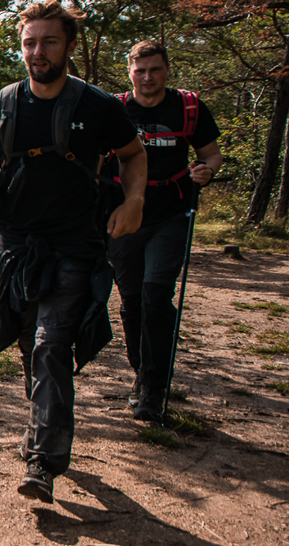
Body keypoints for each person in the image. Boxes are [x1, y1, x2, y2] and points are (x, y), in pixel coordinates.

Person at [0, 1, 147, 505]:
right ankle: (43, 422)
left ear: (69, 45)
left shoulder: (98, 106)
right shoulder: (0, 106)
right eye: (29, 43)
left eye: (49, 42)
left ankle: (43, 461)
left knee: (51, 342)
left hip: (76, 242)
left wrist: (134, 201)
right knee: (28, 342)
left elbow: (133, 155)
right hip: (18, 244)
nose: (37, 52)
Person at [110, 41, 223, 421]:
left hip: (172, 213)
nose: (147, 77)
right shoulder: (116, 109)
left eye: (154, 69)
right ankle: (141, 372)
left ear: (167, 70)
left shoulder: (188, 107)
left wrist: (207, 170)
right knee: (131, 300)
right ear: (129, 71)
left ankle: (154, 388)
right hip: (125, 215)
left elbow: (211, 153)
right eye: (140, 70)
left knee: (156, 294)